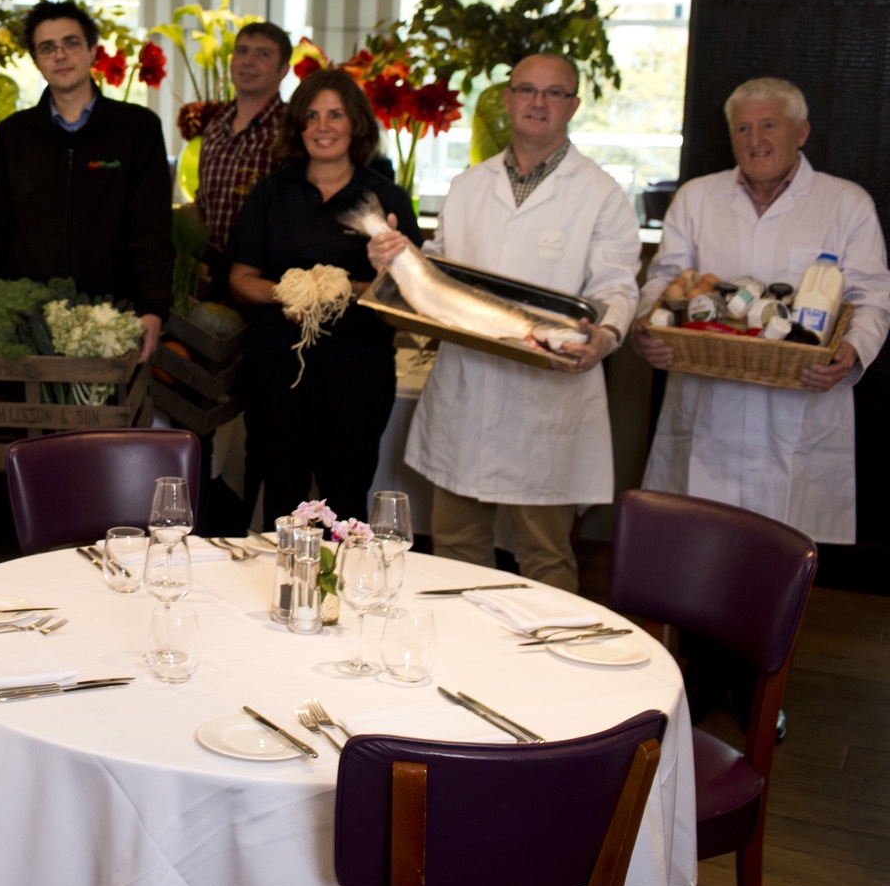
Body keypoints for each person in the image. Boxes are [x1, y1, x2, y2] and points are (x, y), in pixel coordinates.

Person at [367, 53, 638, 593]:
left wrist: (604, 337)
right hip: (466, 394)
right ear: (508, 99)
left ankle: (546, 670)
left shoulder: (600, 193)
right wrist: (396, 261)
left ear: (573, 106)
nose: (538, 102)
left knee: (545, 556)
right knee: (456, 547)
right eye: (527, 90)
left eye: (554, 93)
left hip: (546, 402)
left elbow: (616, 286)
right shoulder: (470, 184)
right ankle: (468, 658)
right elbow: (441, 269)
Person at [0, 0, 174, 563]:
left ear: (92, 50)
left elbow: (152, 230)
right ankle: (6, 580)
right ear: (36, 59)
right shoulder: (13, 136)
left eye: (71, 43)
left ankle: (109, 577)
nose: (60, 55)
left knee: (101, 464)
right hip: (22, 335)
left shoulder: (136, 131)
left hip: (106, 332)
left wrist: (152, 307)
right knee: (20, 464)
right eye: (48, 47)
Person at [634, 77, 889, 544]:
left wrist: (851, 351)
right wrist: (649, 328)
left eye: (769, 125)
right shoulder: (696, 197)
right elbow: (662, 278)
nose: (755, 141)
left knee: (780, 559)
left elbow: (871, 294)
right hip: (706, 403)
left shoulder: (845, 203)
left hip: (798, 409)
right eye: (743, 129)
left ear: (802, 131)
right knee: (695, 553)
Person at [226, 68, 418, 525]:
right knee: (282, 496)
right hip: (277, 368)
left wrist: (344, 290)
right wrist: (289, 294)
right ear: (298, 127)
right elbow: (240, 277)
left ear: (356, 124)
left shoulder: (384, 197)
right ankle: (285, 591)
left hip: (358, 370)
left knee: (347, 497)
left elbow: (407, 291)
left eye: (335, 114)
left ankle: (341, 594)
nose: (322, 126)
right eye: (311, 117)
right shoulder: (271, 193)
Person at [196, 21, 292, 248]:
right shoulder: (215, 126)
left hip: (264, 275)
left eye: (263, 54)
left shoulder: (291, 129)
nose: (248, 61)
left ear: (283, 70)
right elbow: (202, 203)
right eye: (242, 51)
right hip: (211, 271)